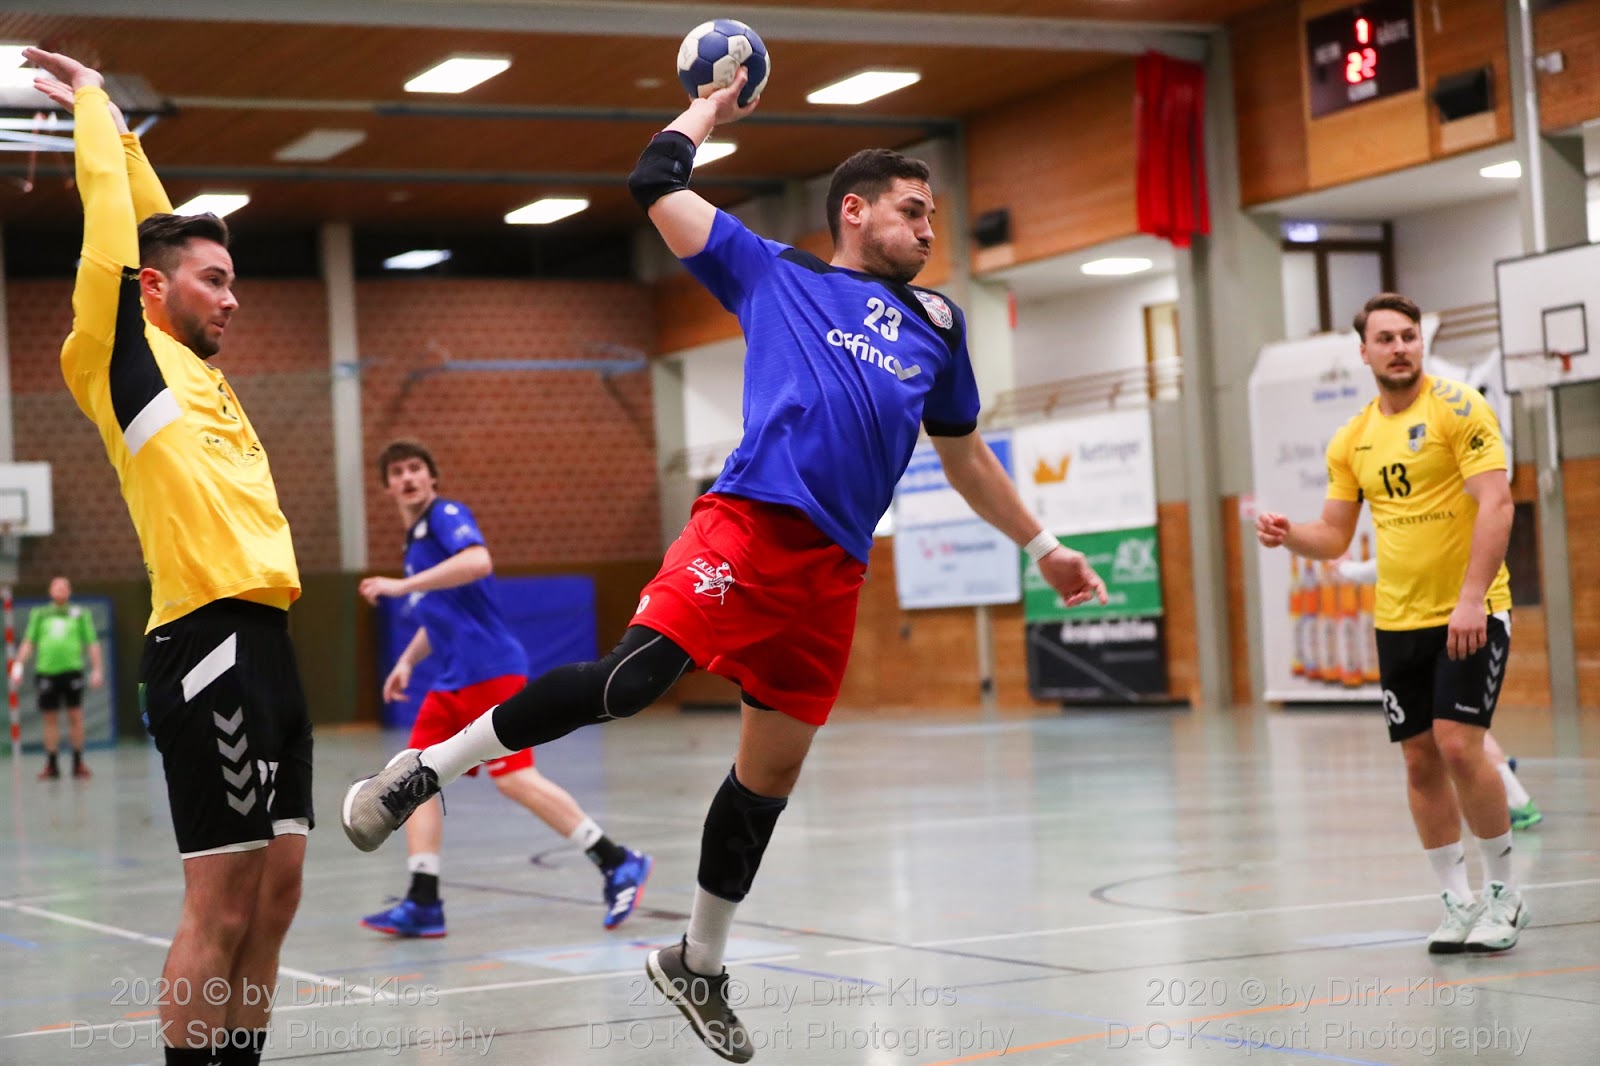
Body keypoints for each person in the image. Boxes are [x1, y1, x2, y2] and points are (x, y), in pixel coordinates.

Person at [342, 67, 1107, 1062]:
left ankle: (697, 961)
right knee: (632, 679)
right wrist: (710, 105)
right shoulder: (773, 270)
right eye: (912, 212)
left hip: (831, 572)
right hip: (746, 528)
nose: (929, 230)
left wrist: (1041, 545)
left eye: (933, 216)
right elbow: (654, 183)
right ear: (855, 211)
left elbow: (961, 456)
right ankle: (423, 769)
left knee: (768, 778)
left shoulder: (940, 326)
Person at [32, 47, 311, 1066]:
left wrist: (127, 136)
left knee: (275, 897)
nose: (233, 299)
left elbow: (158, 225)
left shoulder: (196, 366)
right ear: (154, 290)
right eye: (217, 282)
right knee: (222, 900)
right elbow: (119, 239)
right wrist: (95, 113)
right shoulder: (121, 359)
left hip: (269, 641)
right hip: (205, 642)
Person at [1258, 293, 1523, 955]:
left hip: (1470, 610)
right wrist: (1292, 535)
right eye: (1387, 338)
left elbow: (1497, 503)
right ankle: (1455, 902)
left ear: (1419, 344)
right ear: (1365, 352)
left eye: (1409, 335)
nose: (1400, 347)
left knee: (1461, 745)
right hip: (1398, 619)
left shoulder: (1460, 408)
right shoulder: (1353, 438)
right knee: (1420, 758)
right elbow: (1334, 534)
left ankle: (1504, 894)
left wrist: (1470, 598)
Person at [357, 440, 652, 936]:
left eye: (415, 468)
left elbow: (478, 562)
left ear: (431, 478)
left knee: (513, 778)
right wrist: (406, 661)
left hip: (487, 669)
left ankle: (616, 860)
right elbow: (439, 612)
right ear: (386, 486)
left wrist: (399, 587)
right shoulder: (417, 546)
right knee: (415, 778)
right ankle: (424, 899)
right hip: (451, 677)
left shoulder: (447, 515)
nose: (407, 478)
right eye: (397, 472)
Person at [1337, 557, 1542, 831]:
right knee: (1451, 732)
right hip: (1421, 629)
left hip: (1456, 627)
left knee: (1460, 736)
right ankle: (1510, 791)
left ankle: (1514, 799)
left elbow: (1401, 562)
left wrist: (1346, 568)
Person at [11, 575, 104, 779]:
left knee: (75, 716)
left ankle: (78, 762)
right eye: (56, 586)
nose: (60, 590)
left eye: (64, 587)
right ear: (50, 591)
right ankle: (52, 764)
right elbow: (29, 641)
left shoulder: (79, 614)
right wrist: (18, 665)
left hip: (72, 672)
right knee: (50, 718)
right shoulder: (40, 614)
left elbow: (92, 643)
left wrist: (97, 669)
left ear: (69, 591)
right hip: (47, 672)